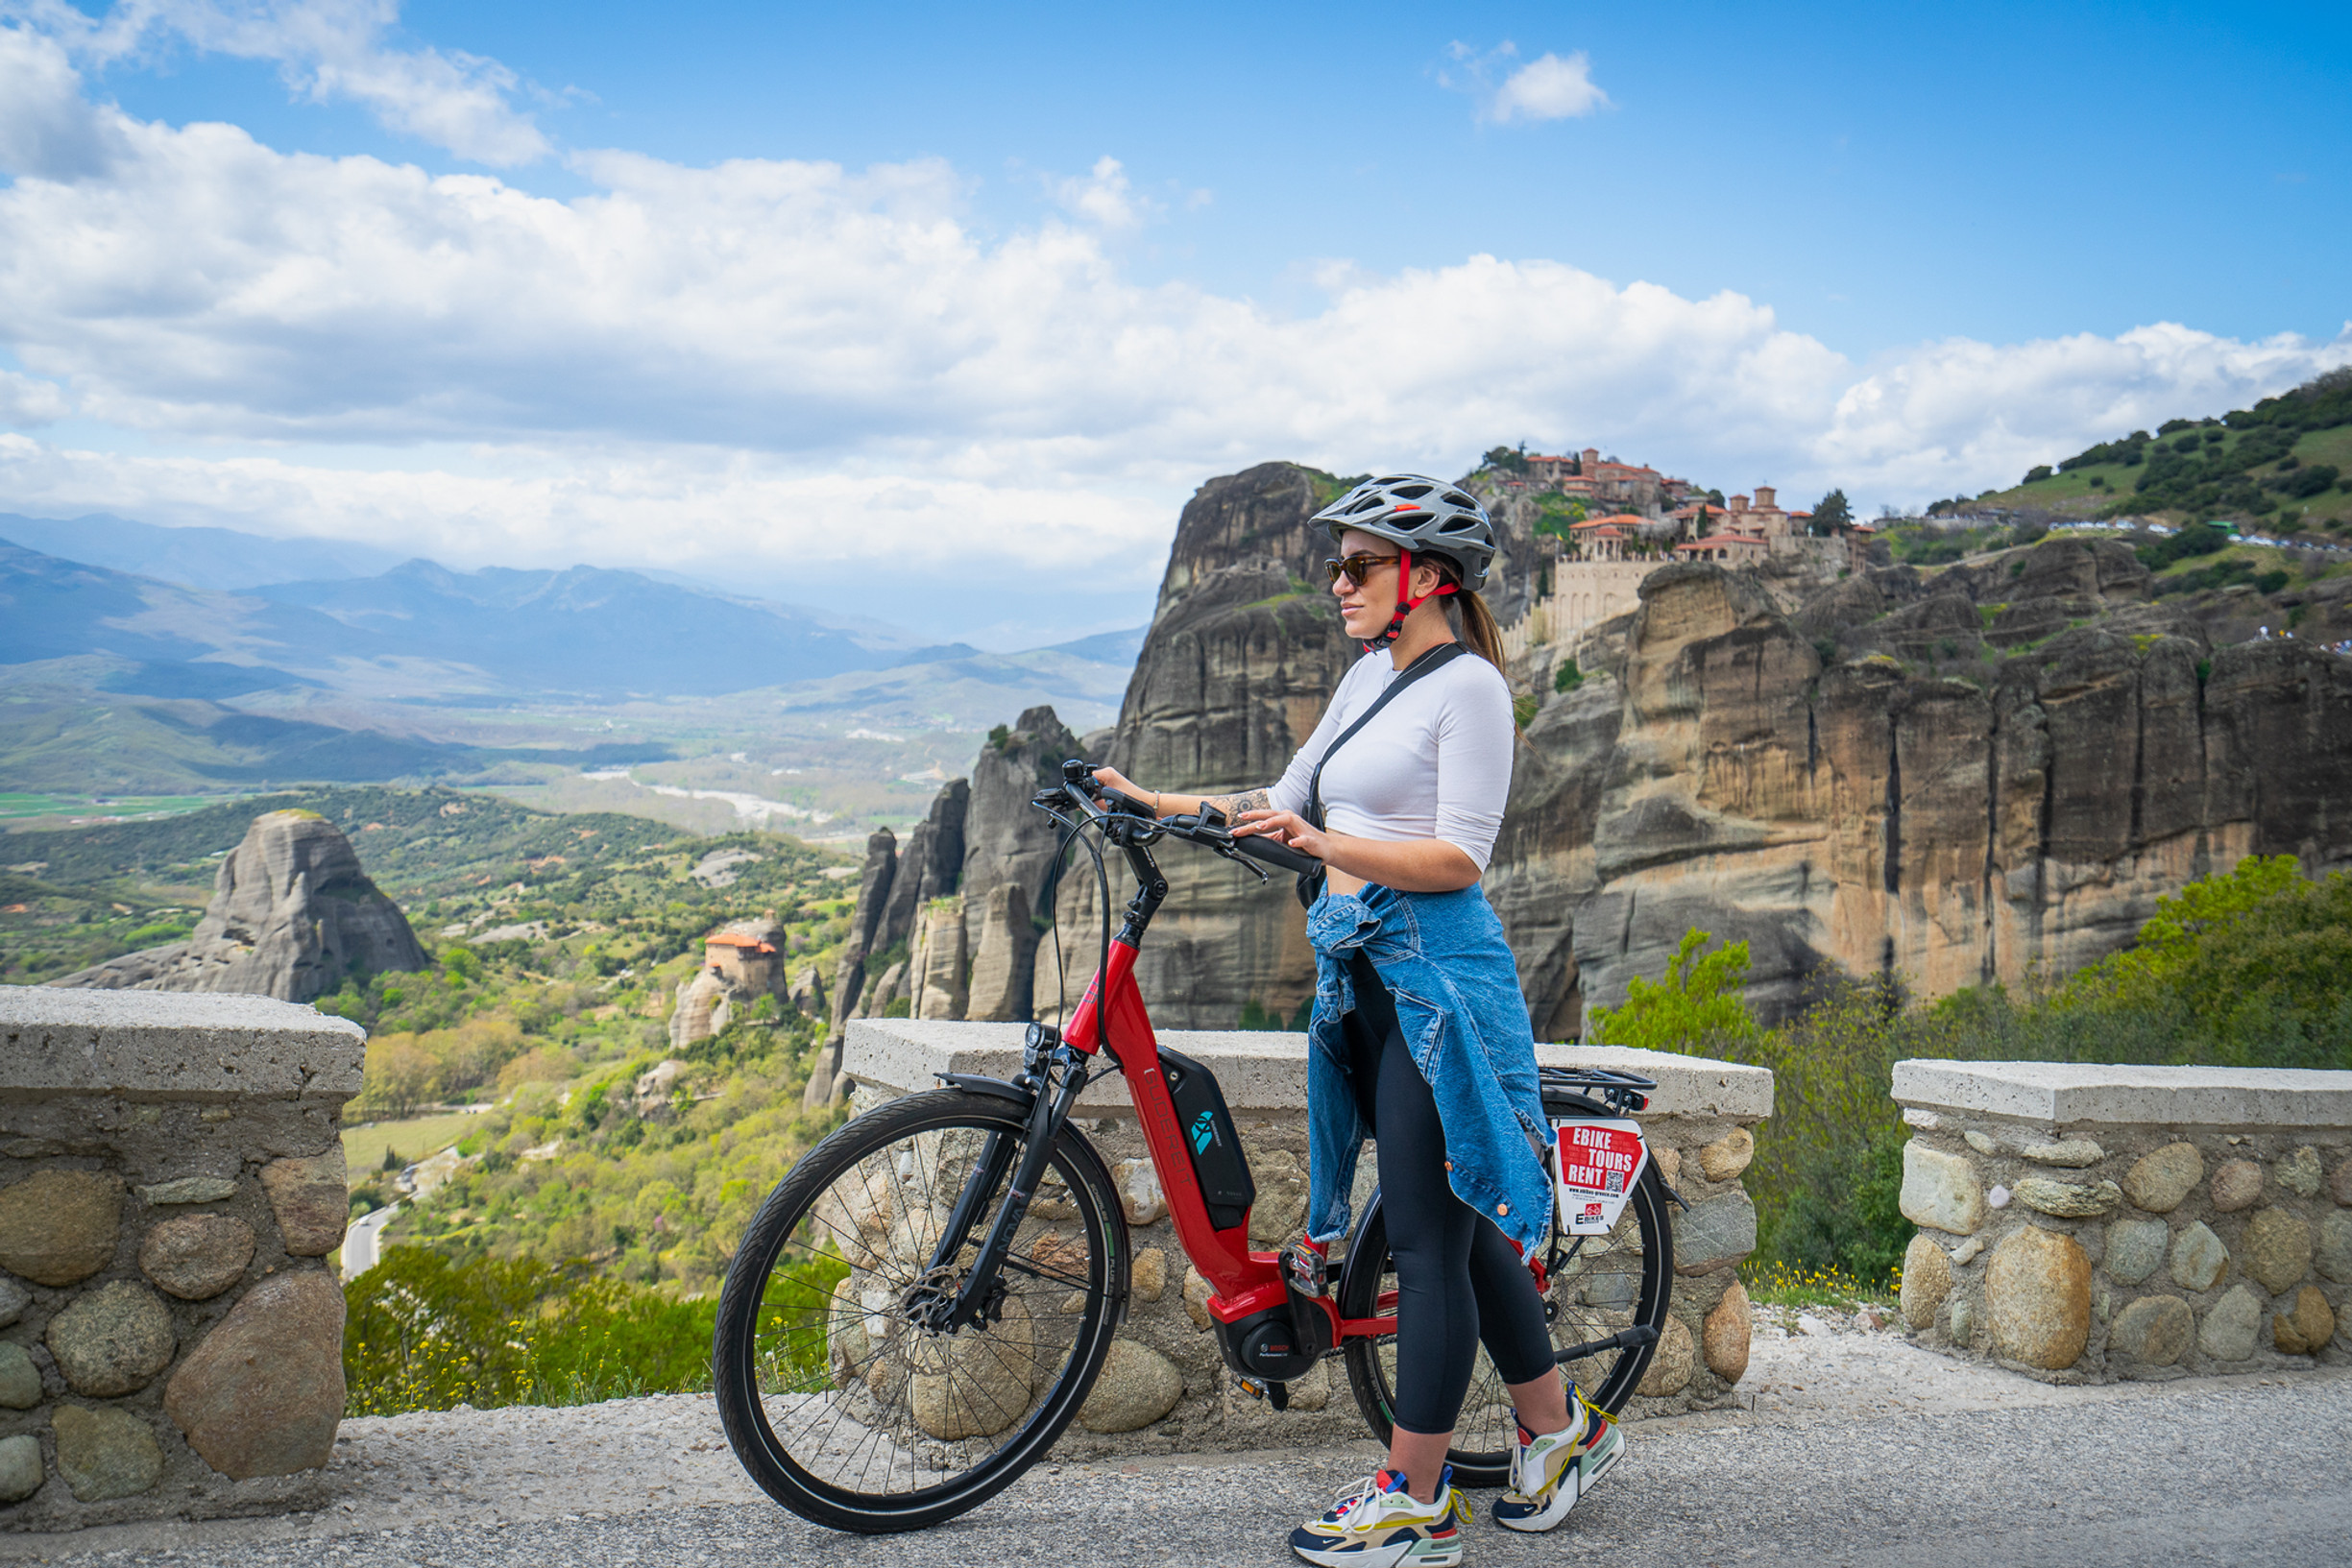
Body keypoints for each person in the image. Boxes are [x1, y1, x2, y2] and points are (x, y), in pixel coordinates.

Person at [1093, 475, 1622, 1564]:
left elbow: (1459, 857)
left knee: (1426, 1244)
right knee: (1465, 1236)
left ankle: (1415, 1500)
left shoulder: (1467, 687)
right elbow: (1276, 802)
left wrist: (1325, 845)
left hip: (1440, 987)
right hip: (1363, 983)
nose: (1337, 583)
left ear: (1424, 577)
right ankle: (1559, 1429)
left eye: (1358, 565)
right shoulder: (1367, 677)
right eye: (1337, 564)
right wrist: (1152, 804)